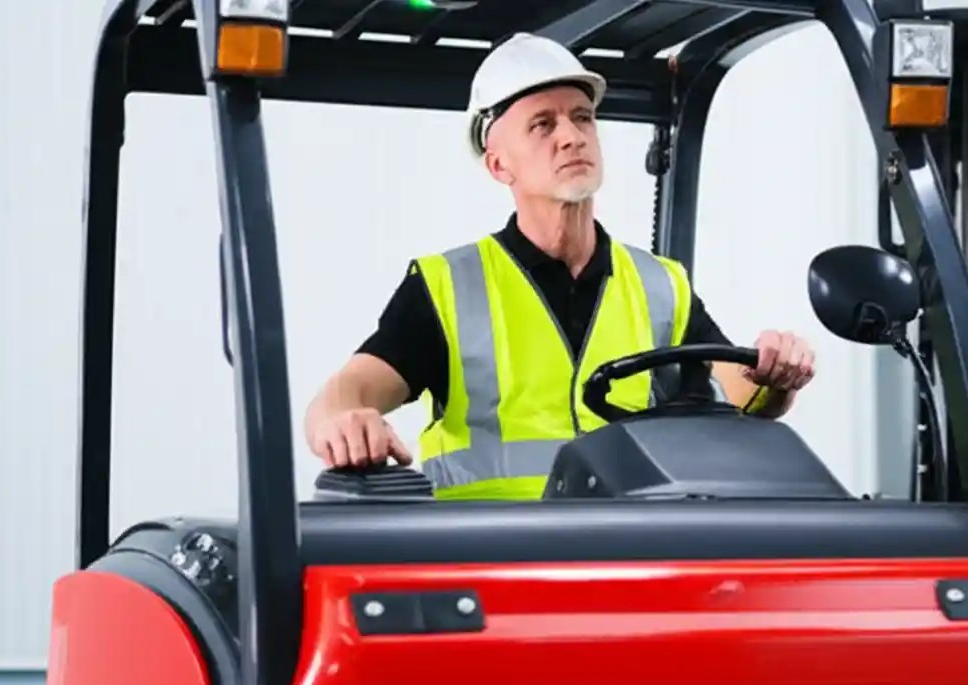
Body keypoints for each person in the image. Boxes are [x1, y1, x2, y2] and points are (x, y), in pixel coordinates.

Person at [303, 32, 817, 500]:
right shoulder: (446, 286)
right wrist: (345, 420)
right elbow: (349, 393)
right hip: (488, 564)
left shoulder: (662, 285)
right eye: (543, 124)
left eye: (582, 118)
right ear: (499, 164)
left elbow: (744, 394)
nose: (571, 136)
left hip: (631, 556)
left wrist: (775, 373)